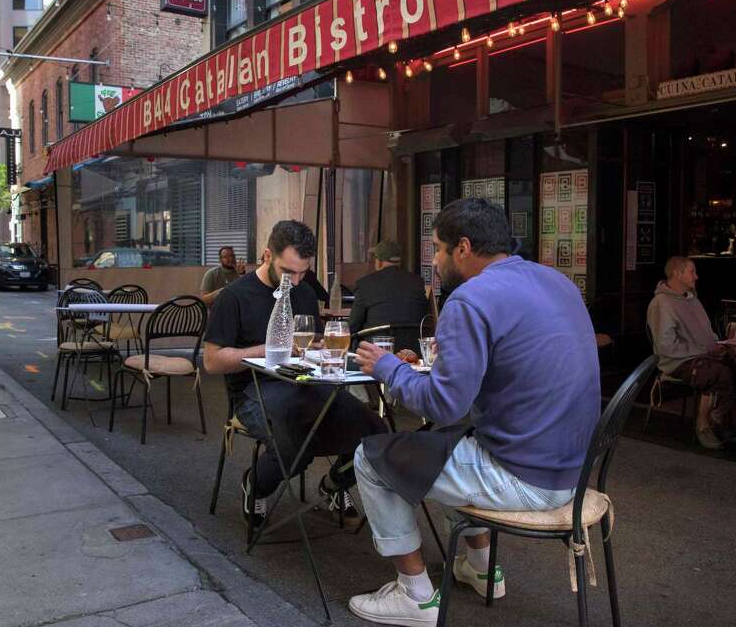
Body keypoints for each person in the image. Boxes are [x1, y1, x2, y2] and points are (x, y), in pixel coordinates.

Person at [346, 199, 600, 626]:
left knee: (370, 458)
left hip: (528, 478)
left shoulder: (470, 299)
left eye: (438, 249)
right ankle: (482, 570)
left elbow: (446, 405)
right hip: (573, 467)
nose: (435, 259)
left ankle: (415, 598)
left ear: (463, 247)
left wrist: (388, 368)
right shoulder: (556, 282)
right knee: (445, 445)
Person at [202, 220, 386, 528]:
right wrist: (267, 348)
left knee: (375, 434)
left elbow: (306, 345)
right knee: (296, 444)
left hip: (304, 383)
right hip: (252, 390)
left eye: (304, 271)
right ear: (266, 256)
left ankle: (332, 485)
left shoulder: (302, 291)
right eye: (289, 272)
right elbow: (211, 361)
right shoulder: (234, 296)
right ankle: (255, 484)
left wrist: (322, 348)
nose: (297, 280)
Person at [647, 256, 736, 449]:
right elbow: (666, 346)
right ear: (677, 273)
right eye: (692, 271)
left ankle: (730, 421)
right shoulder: (662, 303)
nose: (696, 276)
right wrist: (705, 350)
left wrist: (720, 345)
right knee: (716, 373)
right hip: (678, 362)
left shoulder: (693, 300)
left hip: (705, 355)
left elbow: (707, 333)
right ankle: (704, 423)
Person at [348, 240, 429, 352]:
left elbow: (353, 326)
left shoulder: (365, 284)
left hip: (376, 353)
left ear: (379, 261)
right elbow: (425, 317)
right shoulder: (417, 282)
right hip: (412, 351)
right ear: (399, 261)